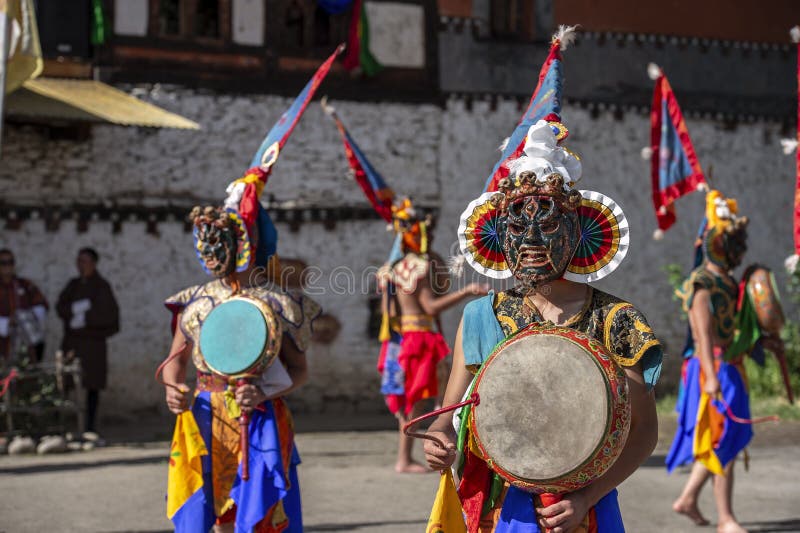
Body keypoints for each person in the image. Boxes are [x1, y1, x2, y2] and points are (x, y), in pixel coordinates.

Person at [422, 117, 663, 532]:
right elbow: (448, 414)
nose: (531, 238)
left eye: (549, 224)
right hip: (498, 507)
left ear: (579, 231)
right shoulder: (480, 316)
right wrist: (439, 435)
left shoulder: (616, 321)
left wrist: (587, 497)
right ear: (499, 235)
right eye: (517, 225)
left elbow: (644, 432)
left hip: (583, 507)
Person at [162, 166, 320, 532]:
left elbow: (299, 371)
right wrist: (174, 388)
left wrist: (263, 392)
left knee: (258, 515)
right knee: (214, 512)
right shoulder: (195, 302)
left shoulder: (279, 304)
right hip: (205, 415)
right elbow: (174, 361)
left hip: (260, 418)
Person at [666, 190, 765, 533]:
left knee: (728, 438)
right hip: (710, 368)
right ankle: (720, 515)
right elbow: (703, 335)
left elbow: (734, 327)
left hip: (730, 367)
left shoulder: (727, 281)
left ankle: (702, 504)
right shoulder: (702, 282)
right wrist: (710, 376)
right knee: (721, 437)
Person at [377, 199, 488, 473]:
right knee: (420, 399)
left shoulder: (392, 268)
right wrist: (467, 291)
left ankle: (406, 456)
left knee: (409, 399)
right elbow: (430, 307)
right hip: (420, 339)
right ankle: (405, 458)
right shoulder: (419, 267)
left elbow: (387, 311)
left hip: (399, 339)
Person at [56, 247, 119, 437]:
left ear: (93, 263)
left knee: (92, 386)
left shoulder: (102, 287)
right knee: (67, 385)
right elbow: (61, 307)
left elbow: (110, 315)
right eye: (79, 261)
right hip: (72, 344)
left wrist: (87, 318)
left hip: (93, 345)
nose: (81, 265)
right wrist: (74, 310)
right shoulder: (73, 285)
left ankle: (90, 427)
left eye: (84, 261)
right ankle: (65, 426)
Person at [0, 248, 48, 364]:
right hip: (2, 344)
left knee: (26, 376)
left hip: (25, 345)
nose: (7, 266)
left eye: (10, 262)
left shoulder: (25, 284)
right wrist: (7, 322)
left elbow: (42, 304)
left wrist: (26, 317)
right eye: (3, 263)